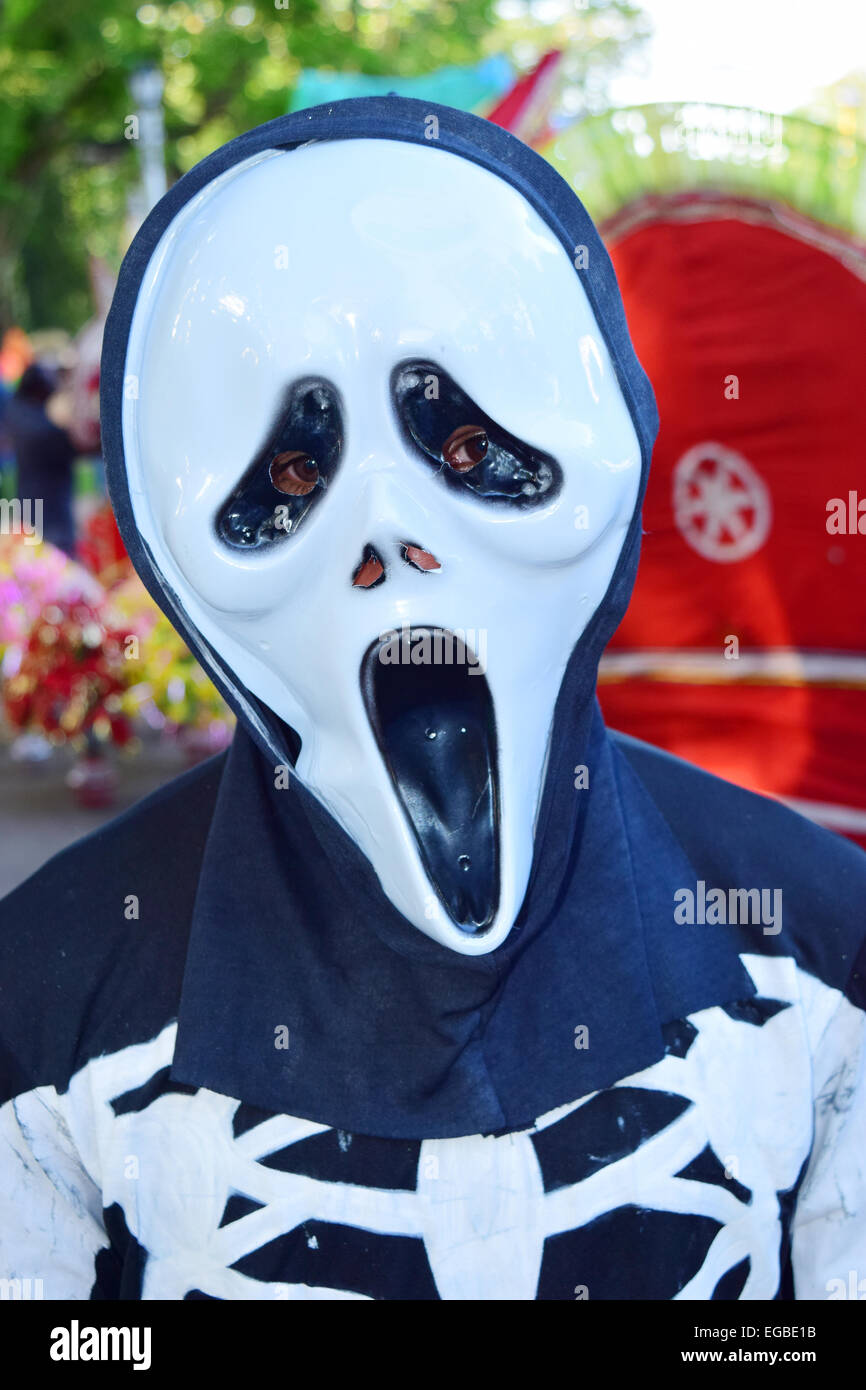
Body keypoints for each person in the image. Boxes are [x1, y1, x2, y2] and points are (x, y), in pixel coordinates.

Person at [0, 97, 863, 1301]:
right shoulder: (45, 996)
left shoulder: (821, 949)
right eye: (295, 470)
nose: (388, 528)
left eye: (461, 445)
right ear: (174, 546)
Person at [3, 362, 77, 555]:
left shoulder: (17, 411)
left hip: (30, 500)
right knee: (52, 560)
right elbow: (72, 442)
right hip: (51, 510)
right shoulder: (40, 428)